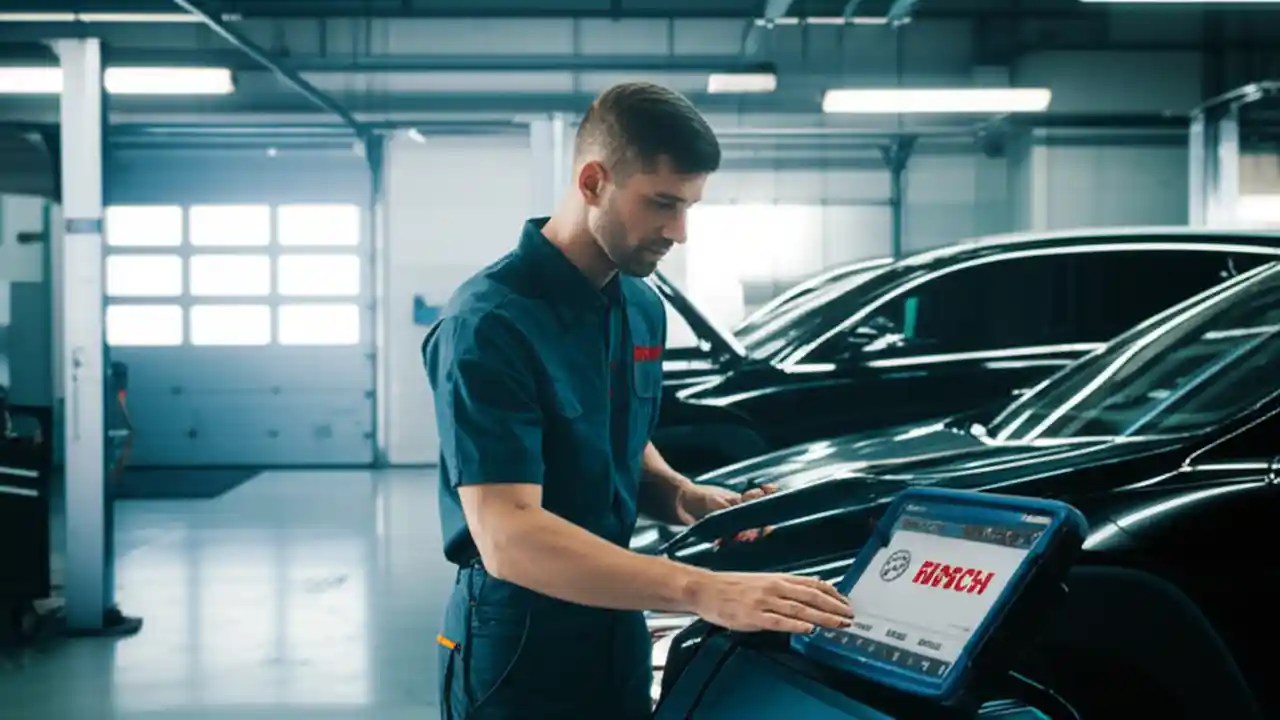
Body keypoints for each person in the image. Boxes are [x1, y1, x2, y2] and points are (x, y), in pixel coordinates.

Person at [423, 81, 854, 720]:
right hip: (518, 640)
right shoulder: (489, 322)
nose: (679, 232)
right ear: (593, 181)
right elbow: (508, 534)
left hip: (616, 618)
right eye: (661, 204)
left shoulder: (640, 305)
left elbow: (614, 434)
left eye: (689, 207)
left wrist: (688, 498)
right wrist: (704, 590)